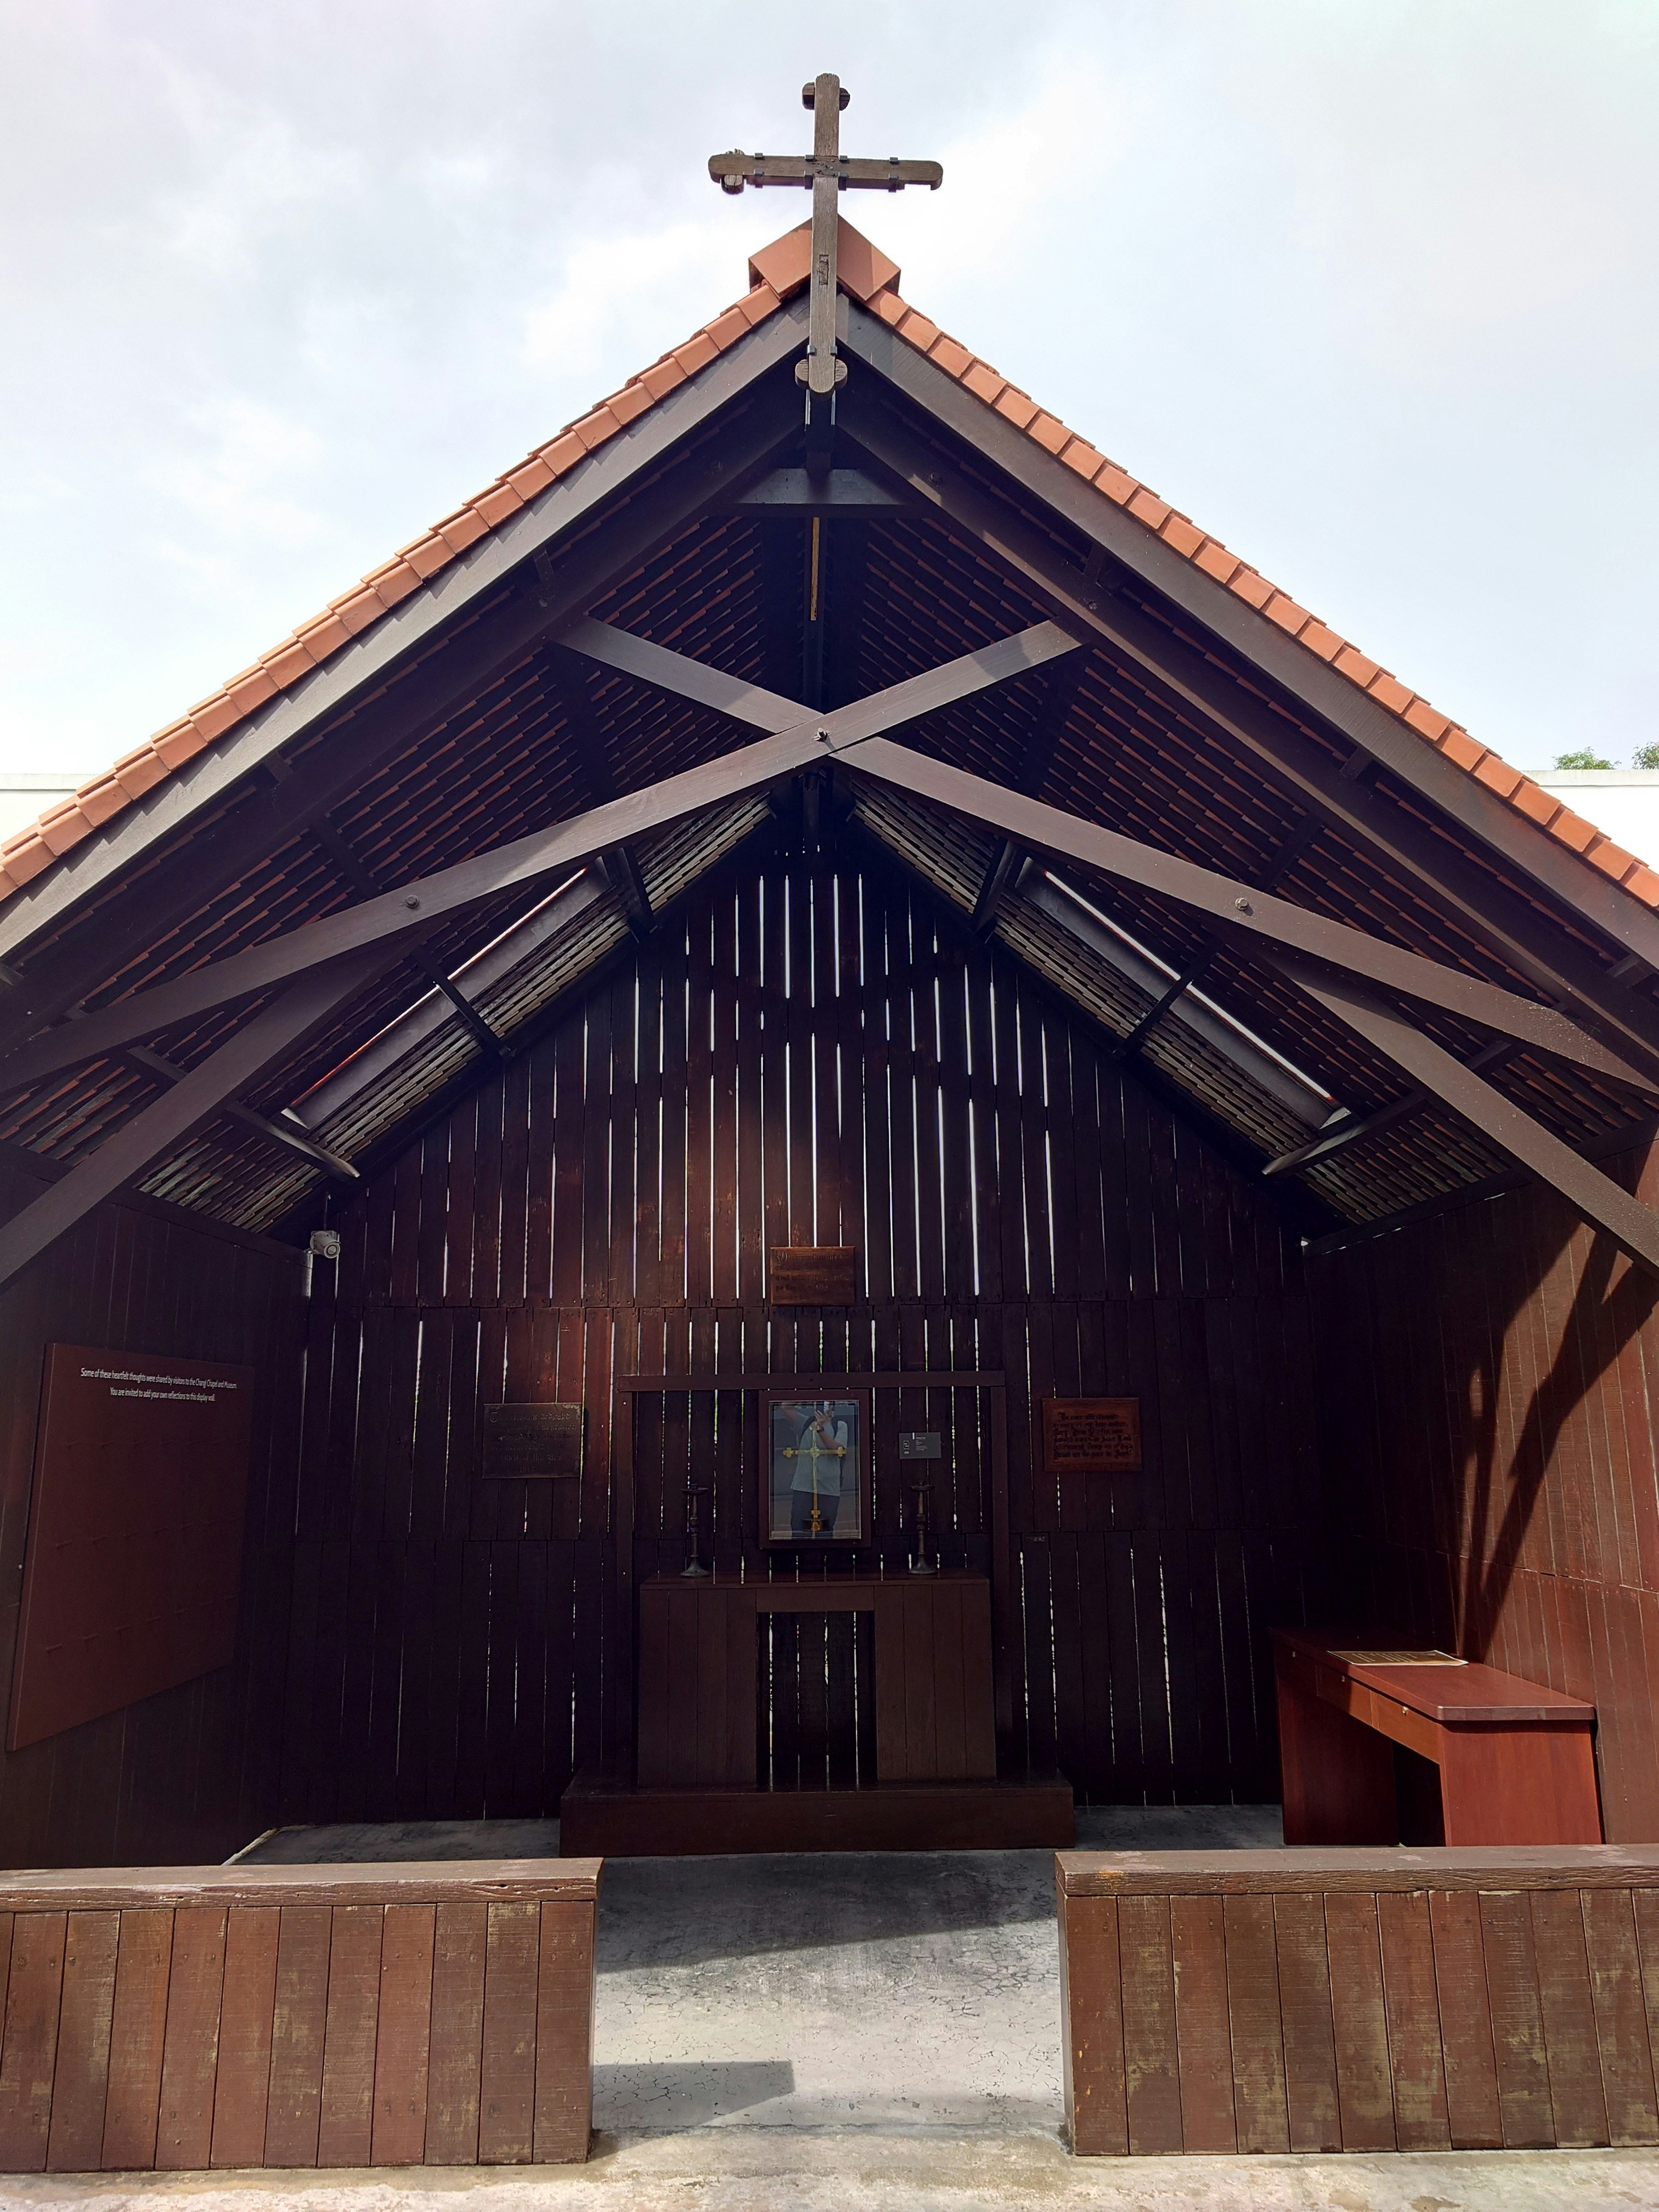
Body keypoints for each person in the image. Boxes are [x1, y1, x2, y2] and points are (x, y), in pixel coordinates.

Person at [783, 1402, 850, 1538]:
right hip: (804, 1486)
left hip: (828, 1488)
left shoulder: (839, 1425)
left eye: (827, 1403)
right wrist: (806, 1397)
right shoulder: (805, 1422)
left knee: (825, 1530)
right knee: (799, 1530)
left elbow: (838, 1450)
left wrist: (821, 1430)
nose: (823, 1406)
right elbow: (785, 1407)